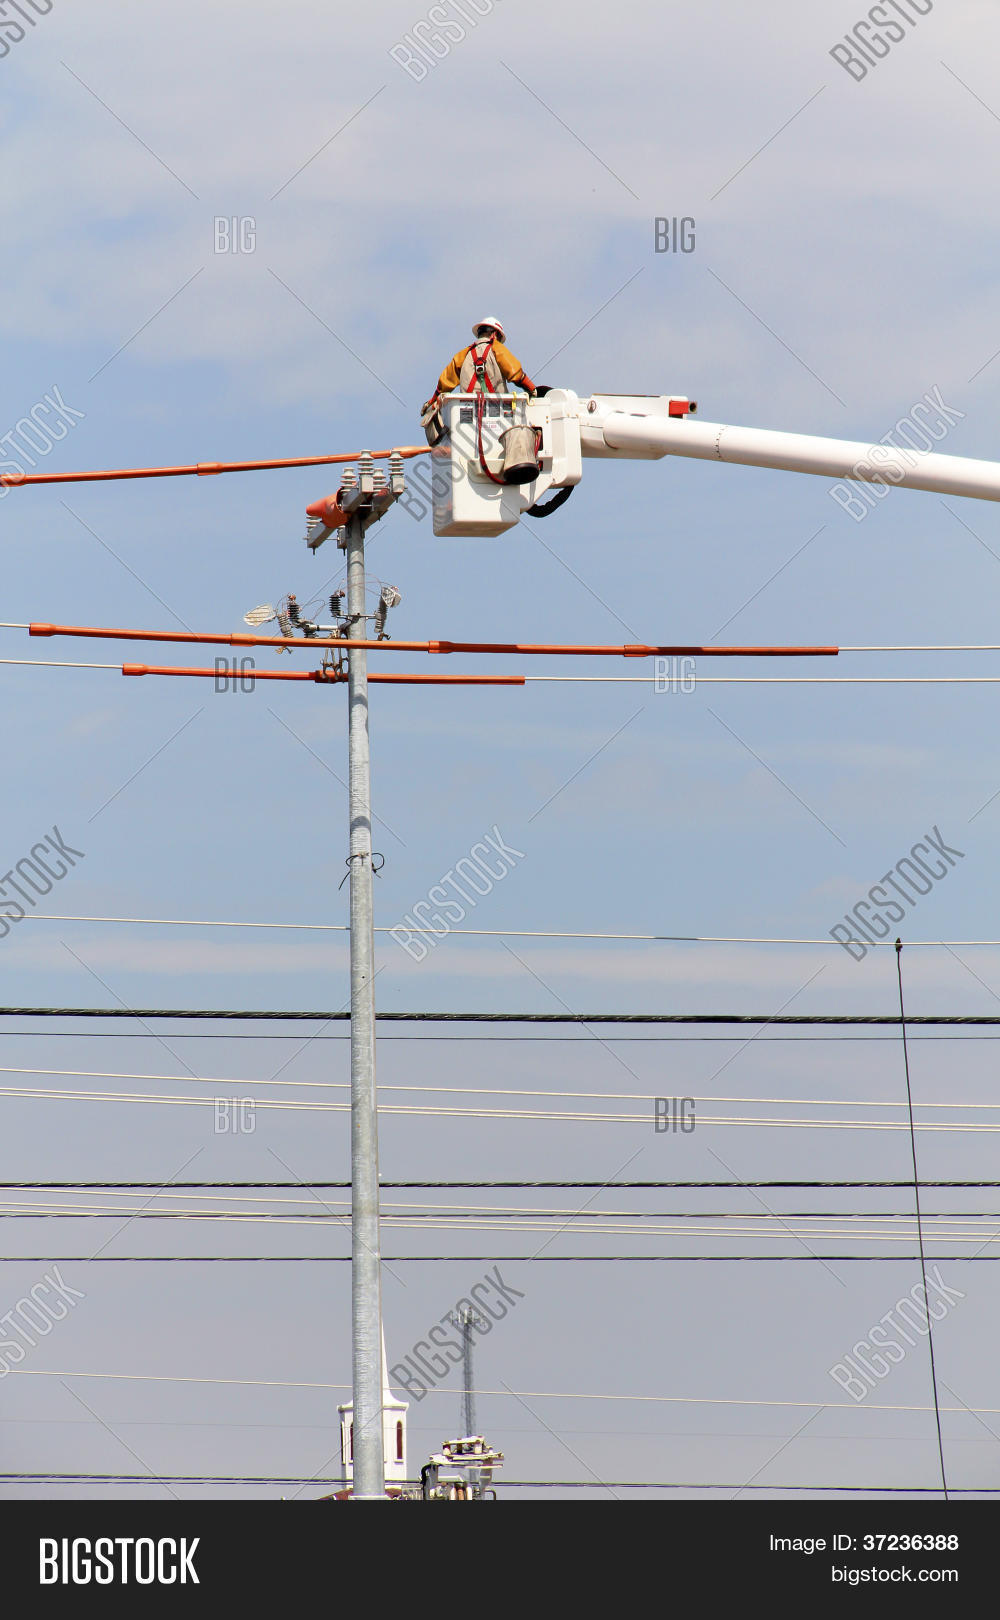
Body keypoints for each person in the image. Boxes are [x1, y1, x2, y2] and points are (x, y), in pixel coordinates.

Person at [423, 318, 536, 419]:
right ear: (495, 335)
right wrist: (532, 389)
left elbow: (444, 383)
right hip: (498, 413)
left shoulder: (463, 355)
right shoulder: (498, 349)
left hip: (467, 416)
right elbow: (515, 373)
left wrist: (430, 402)